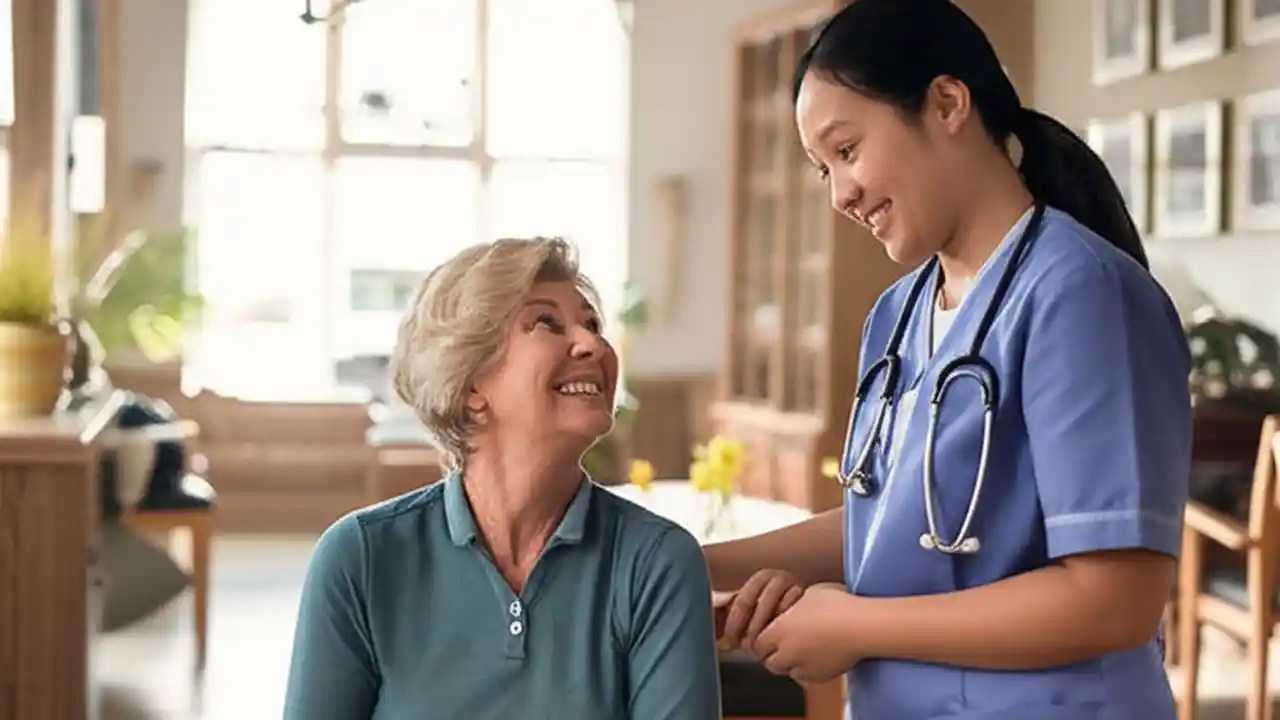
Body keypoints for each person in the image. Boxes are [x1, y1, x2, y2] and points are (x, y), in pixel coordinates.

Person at [705, 1, 1192, 718]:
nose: (840, 194)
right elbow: (896, 529)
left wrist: (854, 625)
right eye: (822, 171)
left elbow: (1113, 599)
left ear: (946, 103)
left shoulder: (1083, 297)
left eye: (847, 151)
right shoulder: (897, 316)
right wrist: (694, 569)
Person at [283, 238, 722, 719]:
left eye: (593, 323)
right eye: (546, 323)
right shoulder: (360, 558)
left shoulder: (656, 564)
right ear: (471, 382)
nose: (593, 343)